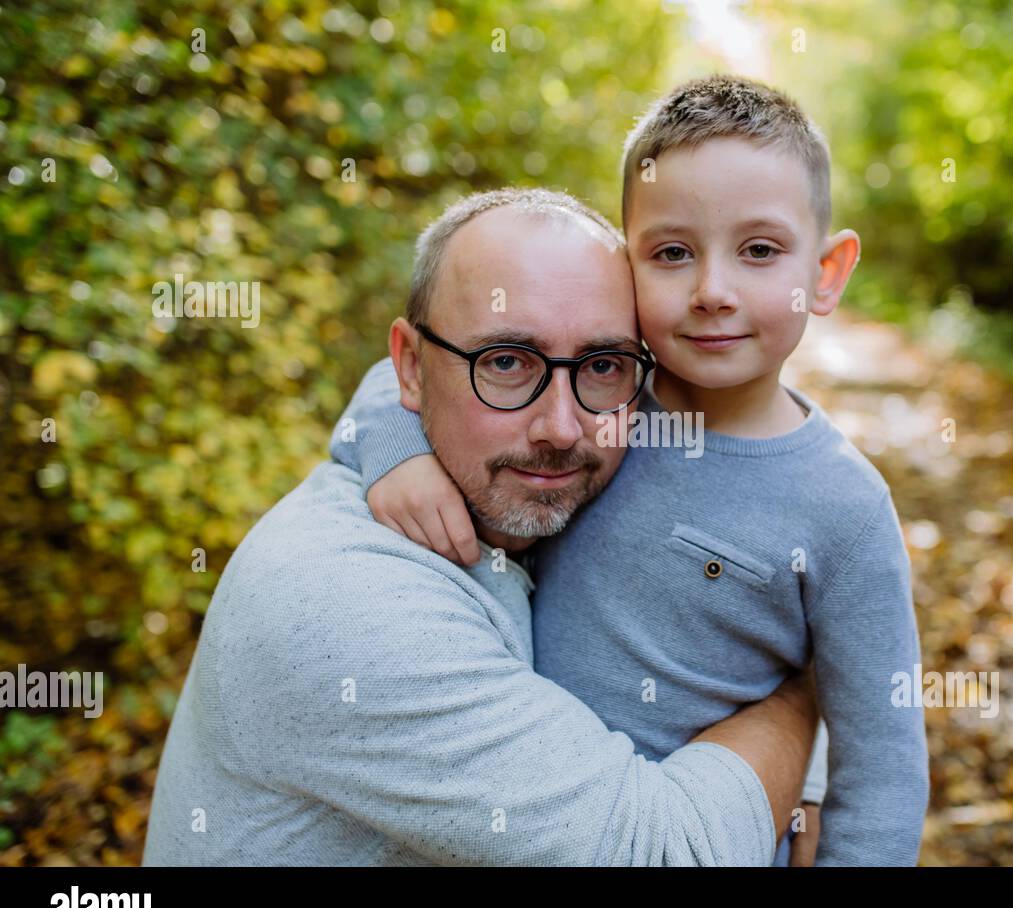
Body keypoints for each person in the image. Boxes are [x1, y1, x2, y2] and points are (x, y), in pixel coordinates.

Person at [338, 76, 930, 865]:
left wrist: (811, 788)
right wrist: (398, 452)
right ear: (625, 268)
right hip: (533, 818)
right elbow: (413, 372)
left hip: (701, 837)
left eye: (759, 251)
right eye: (672, 253)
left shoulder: (845, 508)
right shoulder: (596, 404)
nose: (713, 292)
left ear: (826, 273)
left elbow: (886, 763)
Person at [143, 187, 821, 866]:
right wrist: (811, 696)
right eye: (505, 362)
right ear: (412, 367)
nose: (560, 428)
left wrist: (809, 779)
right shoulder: (346, 600)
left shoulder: (569, 470)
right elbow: (666, 852)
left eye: (603, 364)